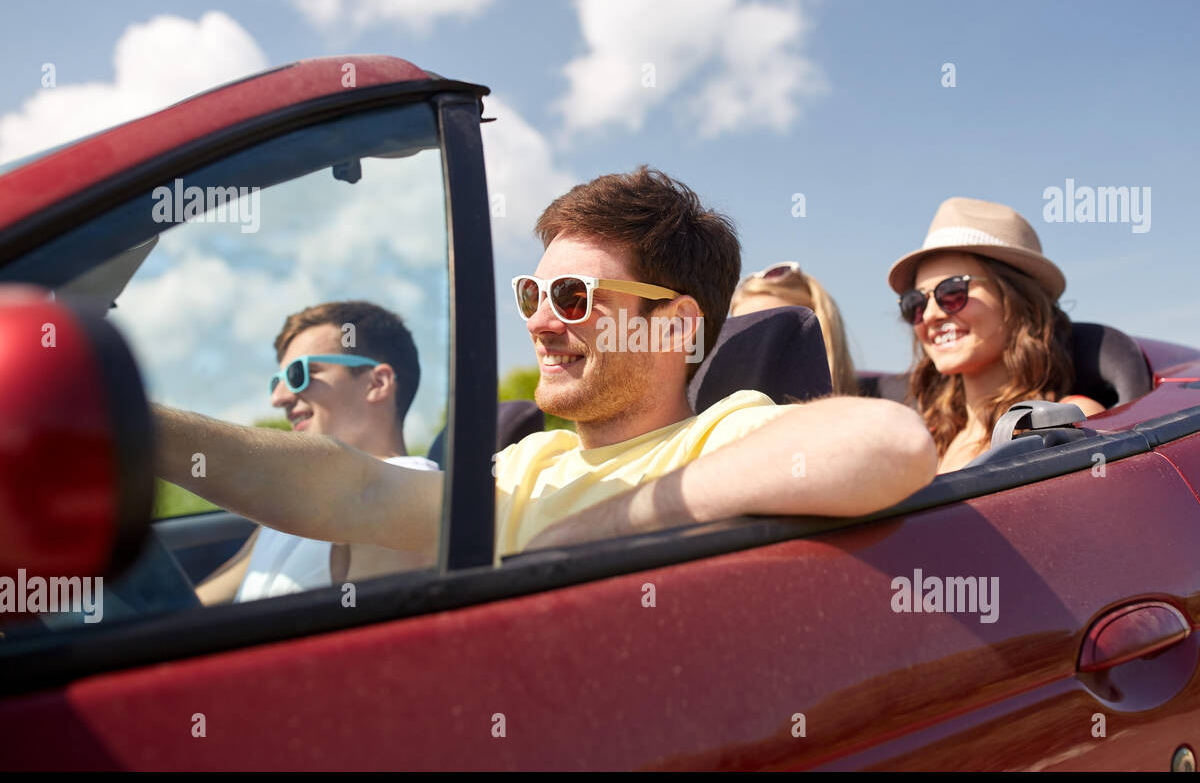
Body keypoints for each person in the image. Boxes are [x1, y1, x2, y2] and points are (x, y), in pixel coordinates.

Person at [156, 167, 936, 570]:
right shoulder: (529, 462)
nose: (536, 318)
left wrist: (610, 522)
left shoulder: (724, 434)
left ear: (675, 323)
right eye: (533, 291)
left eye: (572, 296)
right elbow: (351, 486)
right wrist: (131, 425)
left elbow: (892, 446)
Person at [194, 301, 438, 605]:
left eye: (300, 373)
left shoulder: (414, 489)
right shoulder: (288, 508)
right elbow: (194, 607)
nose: (278, 398)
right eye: (277, 381)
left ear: (377, 383)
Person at [887, 197, 1106, 474]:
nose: (930, 315)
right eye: (915, 302)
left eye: (953, 292)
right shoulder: (929, 438)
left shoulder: (1067, 422)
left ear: (1018, 302)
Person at [730, 261, 858, 396]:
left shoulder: (873, 409)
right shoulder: (711, 411)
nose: (754, 351)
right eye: (739, 336)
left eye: (775, 332)